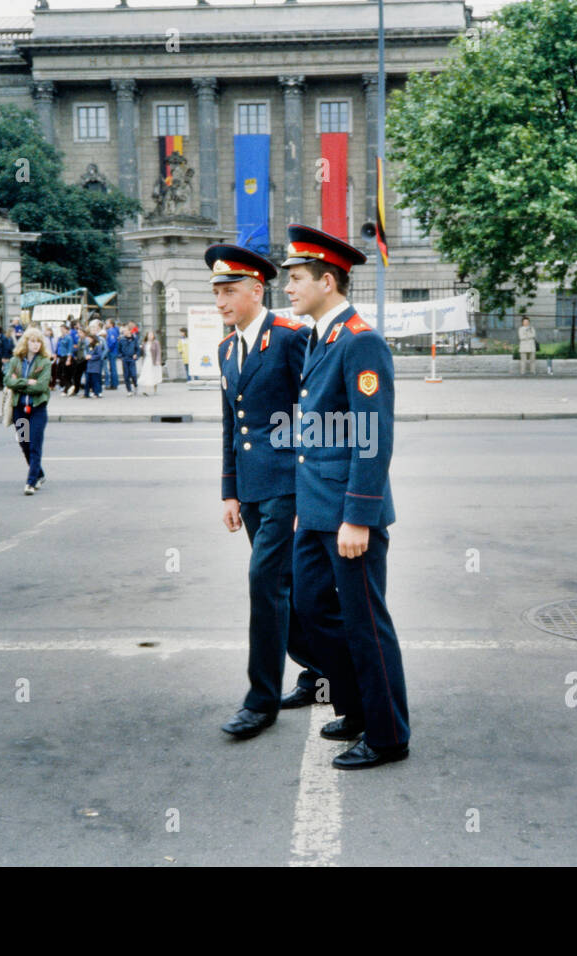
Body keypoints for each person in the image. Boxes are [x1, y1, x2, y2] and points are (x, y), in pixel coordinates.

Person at [282, 223, 409, 770]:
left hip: (349, 514)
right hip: (315, 510)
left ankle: (387, 735)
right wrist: (302, 510)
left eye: (296, 278)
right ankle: (355, 706)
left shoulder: (360, 340)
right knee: (309, 609)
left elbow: (372, 436)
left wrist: (358, 516)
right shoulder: (319, 336)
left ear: (328, 281)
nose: (286, 286)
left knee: (364, 622)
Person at [210, 242, 326, 740]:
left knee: (264, 583)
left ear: (257, 291)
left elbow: (318, 411)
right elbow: (231, 424)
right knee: (288, 588)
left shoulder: (289, 337)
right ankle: (322, 671)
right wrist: (229, 491)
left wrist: (311, 490)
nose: (220, 301)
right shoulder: (226, 347)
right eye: (216, 292)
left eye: (230, 291)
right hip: (253, 489)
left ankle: (260, 702)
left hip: (287, 487)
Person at [5, 327, 53, 495]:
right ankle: (39, 474)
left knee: (35, 445)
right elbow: (7, 381)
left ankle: (31, 482)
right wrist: (27, 382)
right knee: (24, 443)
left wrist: (18, 383)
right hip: (20, 409)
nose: (36, 345)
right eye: (32, 341)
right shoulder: (15, 360)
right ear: (26, 342)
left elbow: (41, 386)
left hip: (37, 409)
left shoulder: (45, 362)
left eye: (38, 341)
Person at [138, 330, 163, 396]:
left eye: (152, 335)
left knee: (154, 375)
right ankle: (147, 390)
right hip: (147, 360)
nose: (150, 336)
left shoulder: (156, 342)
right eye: (149, 335)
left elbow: (158, 352)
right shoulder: (144, 343)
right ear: (147, 336)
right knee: (147, 375)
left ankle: (155, 389)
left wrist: (158, 360)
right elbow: (142, 352)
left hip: (154, 360)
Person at [118, 324, 140, 395]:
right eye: (124, 331)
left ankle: (135, 385)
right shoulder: (121, 340)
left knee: (133, 374)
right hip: (125, 359)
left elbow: (138, 349)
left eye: (127, 330)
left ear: (130, 331)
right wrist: (121, 356)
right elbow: (118, 350)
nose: (125, 332)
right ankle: (129, 390)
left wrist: (136, 354)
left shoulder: (134, 339)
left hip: (132, 359)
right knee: (126, 375)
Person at [0, 325, 14, 390]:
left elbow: (6, 348)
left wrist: (4, 357)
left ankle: (4, 384)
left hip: (2, 357)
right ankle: (0, 385)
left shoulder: (3, 338)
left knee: (5, 371)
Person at [104, 318, 120, 390]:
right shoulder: (114, 330)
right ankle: (114, 383)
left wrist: (109, 349)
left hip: (112, 351)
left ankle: (114, 384)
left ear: (111, 324)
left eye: (107, 323)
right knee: (113, 367)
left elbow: (112, 341)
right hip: (113, 351)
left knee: (113, 368)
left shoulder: (111, 331)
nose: (106, 324)